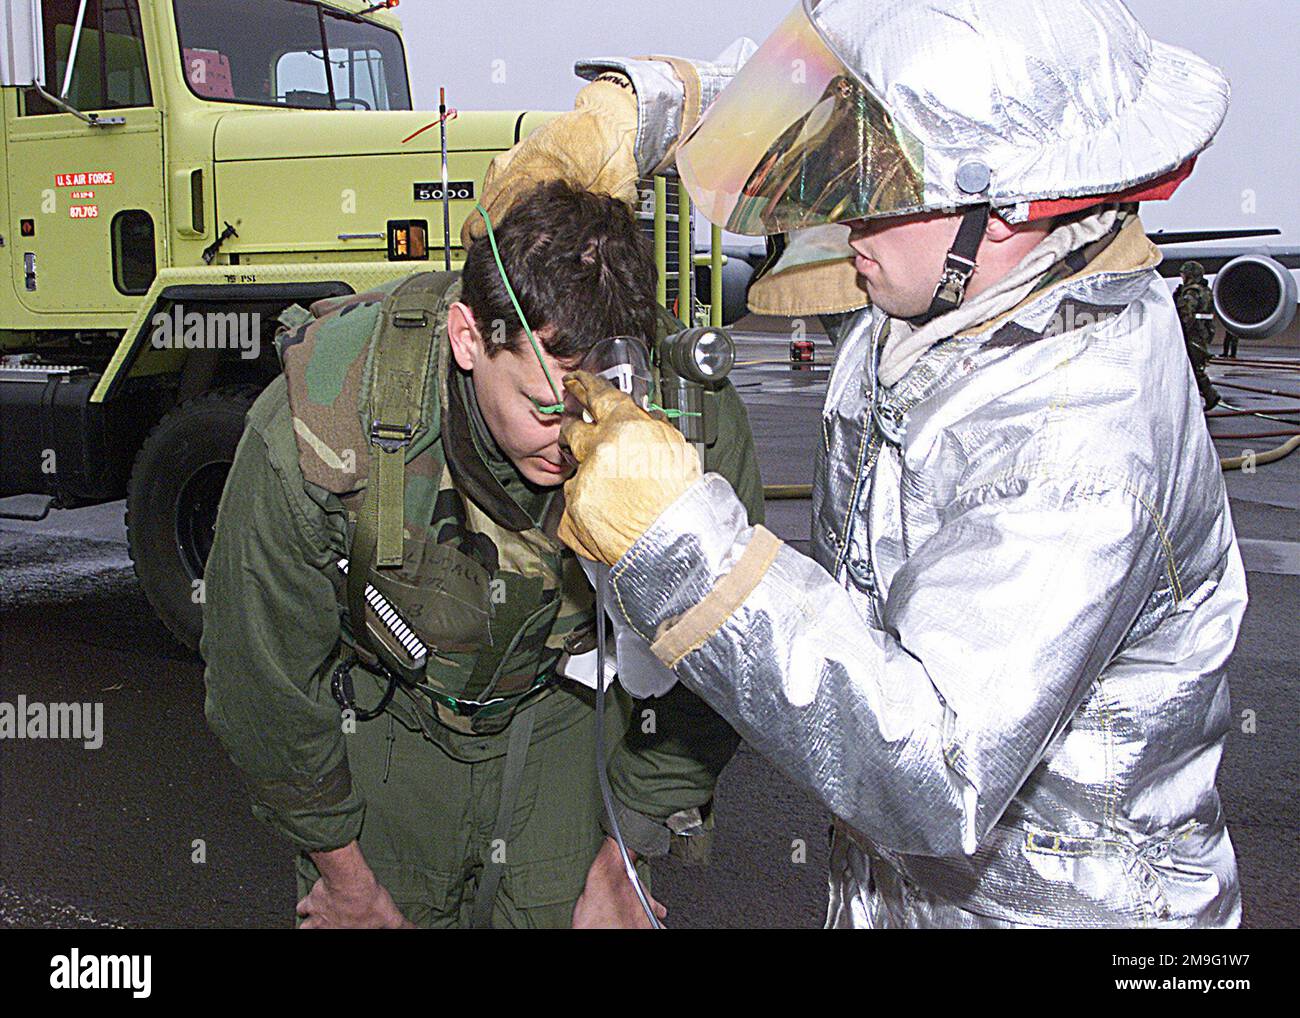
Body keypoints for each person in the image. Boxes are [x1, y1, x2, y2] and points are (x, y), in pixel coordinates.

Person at [488, 0, 1244, 927]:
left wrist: (677, 548)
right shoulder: (951, 278)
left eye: (873, 187)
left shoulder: (1078, 448)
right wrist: (639, 111)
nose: (838, 207)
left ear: (1005, 208)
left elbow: (939, 770)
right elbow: (832, 108)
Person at [201, 181, 764, 928]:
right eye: (543, 406)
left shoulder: (685, 421)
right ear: (469, 338)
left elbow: (725, 660)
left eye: (597, 406)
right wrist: (341, 876)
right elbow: (260, 682)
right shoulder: (321, 429)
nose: (573, 439)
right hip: (392, 725)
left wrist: (629, 841)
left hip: (566, 721)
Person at [1173, 260, 1222, 408]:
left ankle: (1210, 395)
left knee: (1193, 368)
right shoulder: (1205, 290)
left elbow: (1186, 314)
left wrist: (1179, 331)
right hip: (1203, 332)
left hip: (1193, 333)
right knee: (1193, 366)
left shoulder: (1191, 292)